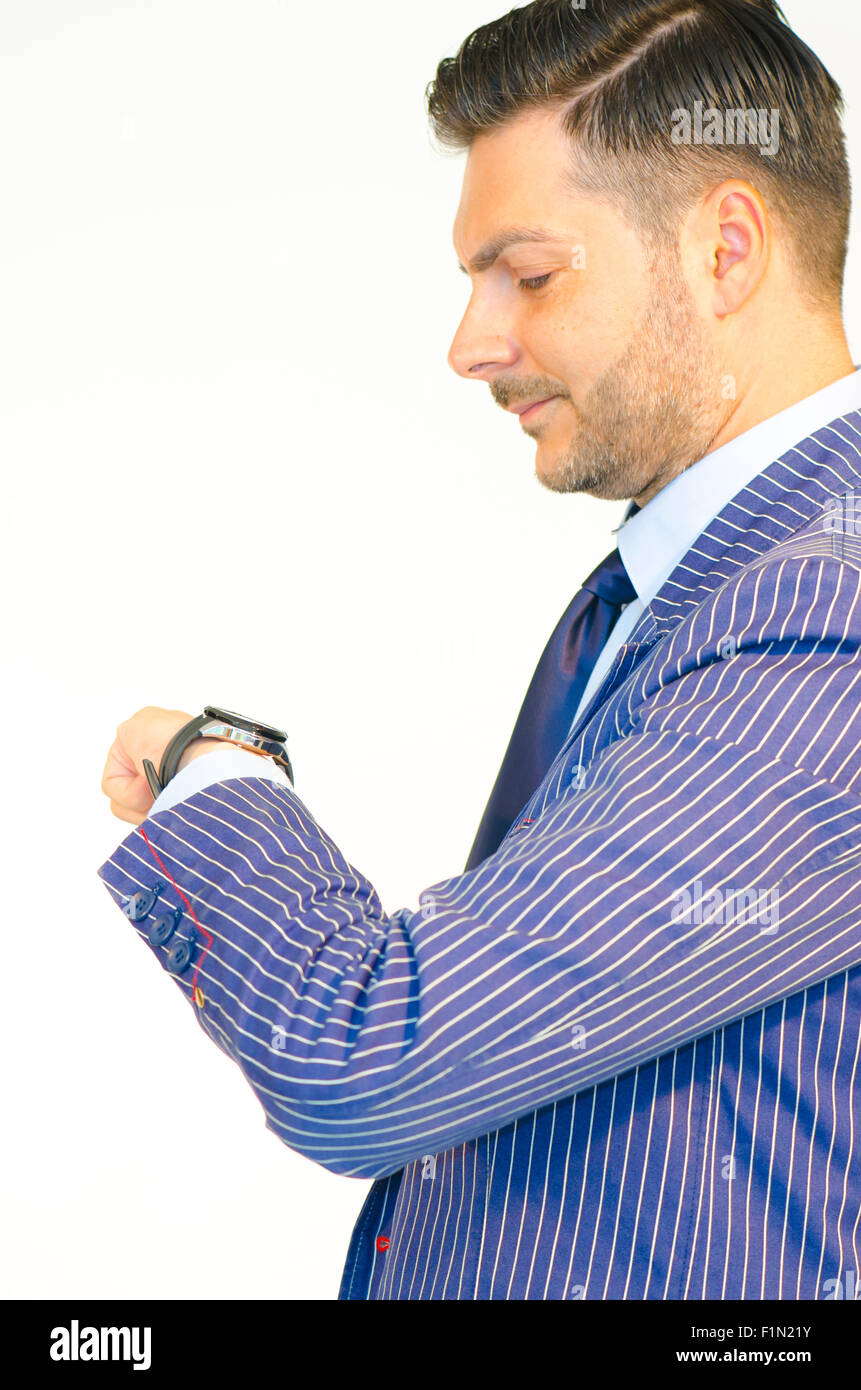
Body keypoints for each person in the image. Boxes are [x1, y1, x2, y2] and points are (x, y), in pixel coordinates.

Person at [99, 0, 861, 1299]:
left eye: (531, 273)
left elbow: (368, 1056)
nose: (471, 345)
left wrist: (212, 768)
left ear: (725, 247)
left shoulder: (819, 619)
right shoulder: (693, 586)